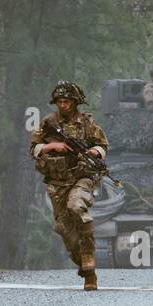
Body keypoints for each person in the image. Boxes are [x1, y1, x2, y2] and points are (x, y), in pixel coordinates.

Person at [30, 81, 109, 290]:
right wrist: (51, 146)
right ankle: (84, 265)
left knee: (77, 206)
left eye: (67, 101)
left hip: (81, 177)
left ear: (75, 102)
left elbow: (102, 145)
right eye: (60, 102)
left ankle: (90, 269)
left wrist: (94, 152)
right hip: (57, 183)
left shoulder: (86, 123)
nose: (63, 105)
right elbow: (33, 148)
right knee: (65, 230)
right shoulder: (48, 122)